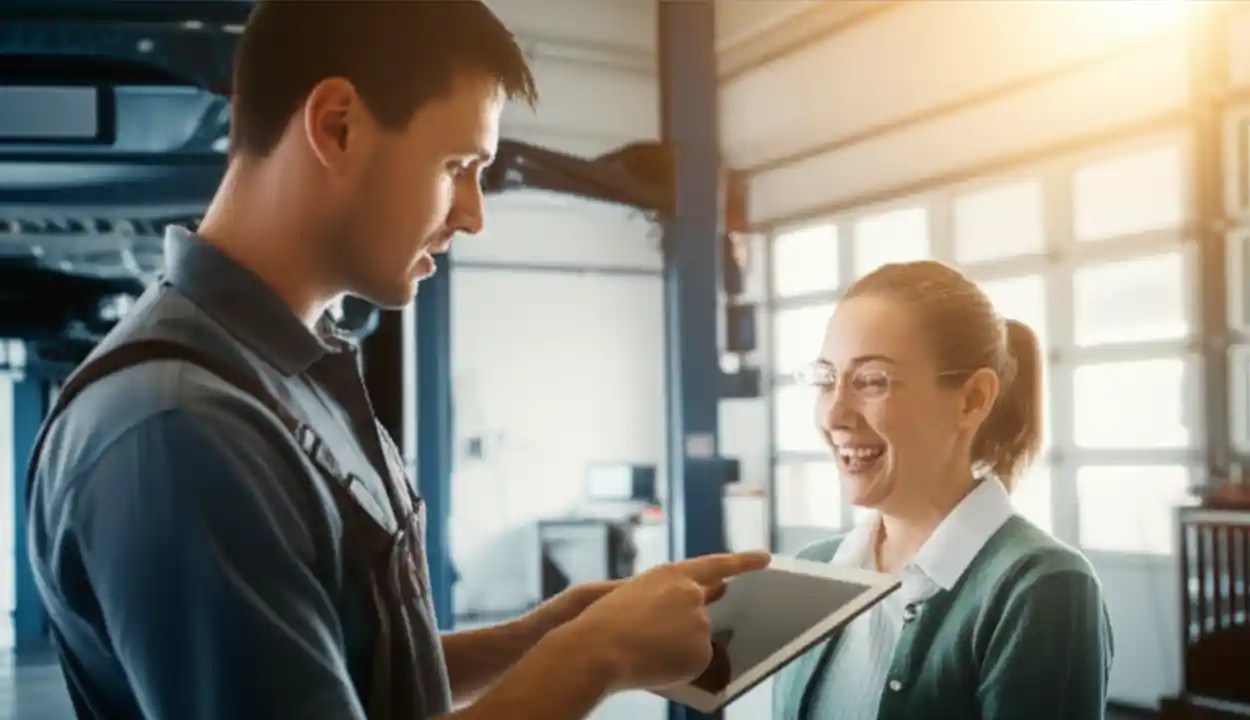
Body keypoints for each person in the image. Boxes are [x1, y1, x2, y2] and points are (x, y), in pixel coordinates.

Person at [25, 3, 769, 719]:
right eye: (458, 165)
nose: (473, 214)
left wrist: (539, 637)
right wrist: (597, 656)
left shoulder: (286, 376)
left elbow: (343, 675)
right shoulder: (179, 427)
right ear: (337, 125)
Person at [772, 261, 1113, 720]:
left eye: (871, 381)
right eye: (826, 380)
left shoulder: (1042, 588)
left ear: (972, 399)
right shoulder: (812, 570)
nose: (834, 416)